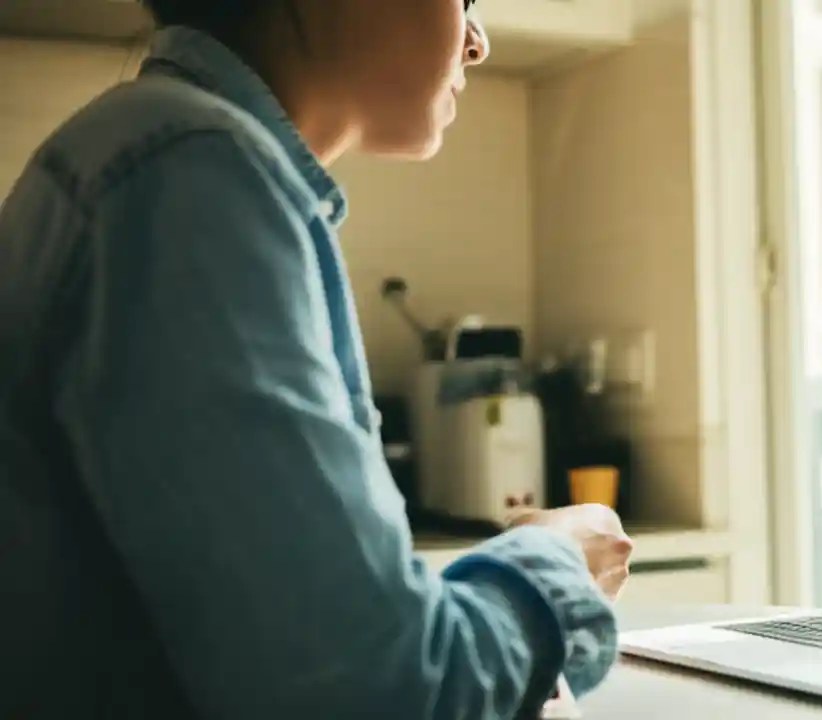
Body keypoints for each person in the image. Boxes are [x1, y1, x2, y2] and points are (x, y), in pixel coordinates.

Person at [0, 1, 633, 717]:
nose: (477, 42)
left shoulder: (157, 155)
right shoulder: (191, 173)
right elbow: (384, 695)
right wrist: (558, 565)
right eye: (466, 1)